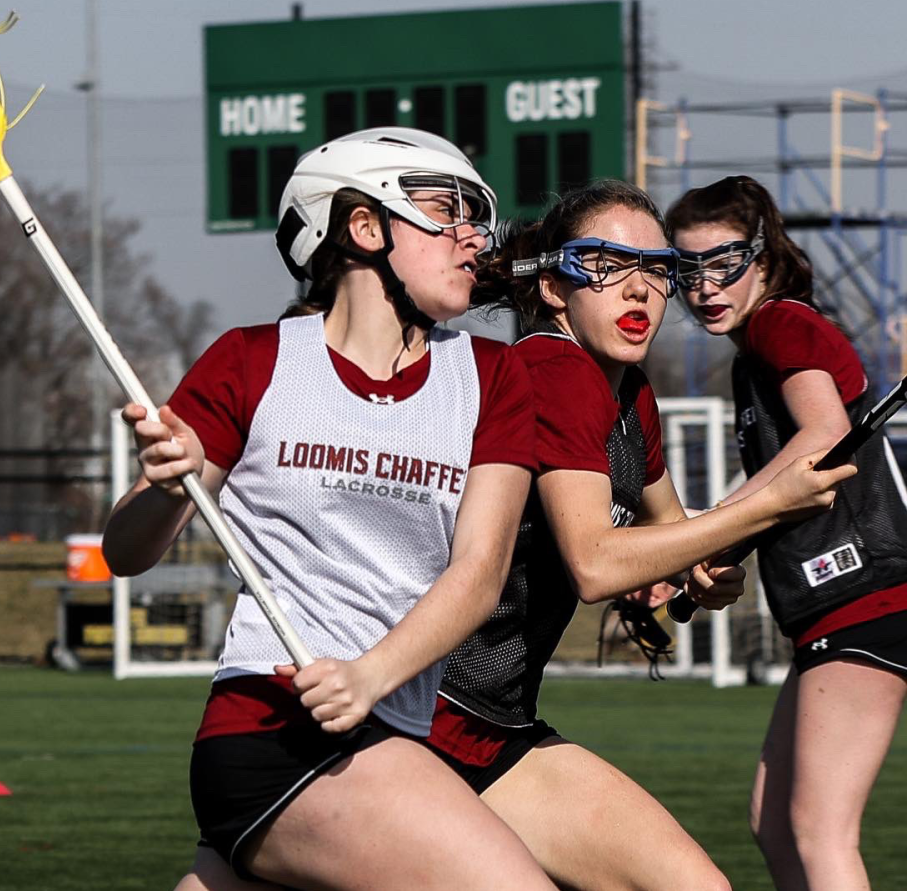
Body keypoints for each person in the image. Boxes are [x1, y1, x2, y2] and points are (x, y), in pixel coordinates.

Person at [173, 177, 855, 891]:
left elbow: (671, 533)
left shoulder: (629, 392)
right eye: (606, 264)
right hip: (429, 710)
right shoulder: (554, 370)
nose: (639, 290)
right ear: (555, 289)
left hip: (490, 721)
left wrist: (693, 569)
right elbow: (594, 562)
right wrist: (766, 505)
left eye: (657, 269)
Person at [103, 128, 558, 890]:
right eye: (444, 211)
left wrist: (371, 676)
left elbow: (479, 577)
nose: (472, 236)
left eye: (474, 217)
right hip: (271, 726)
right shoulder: (252, 360)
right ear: (364, 227)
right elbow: (126, 552)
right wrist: (165, 485)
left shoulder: (492, 376)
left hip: (390, 723)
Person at [668, 174, 907, 891]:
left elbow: (826, 436)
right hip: (831, 607)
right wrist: (723, 548)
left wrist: (705, 535)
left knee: (818, 831)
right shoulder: (753, 356)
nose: (705, 286)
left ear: (765, 260)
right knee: (774, 823)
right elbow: (794, 482)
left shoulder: (780, 322)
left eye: (725, 263)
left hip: (864, 594)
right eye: (688, 269)